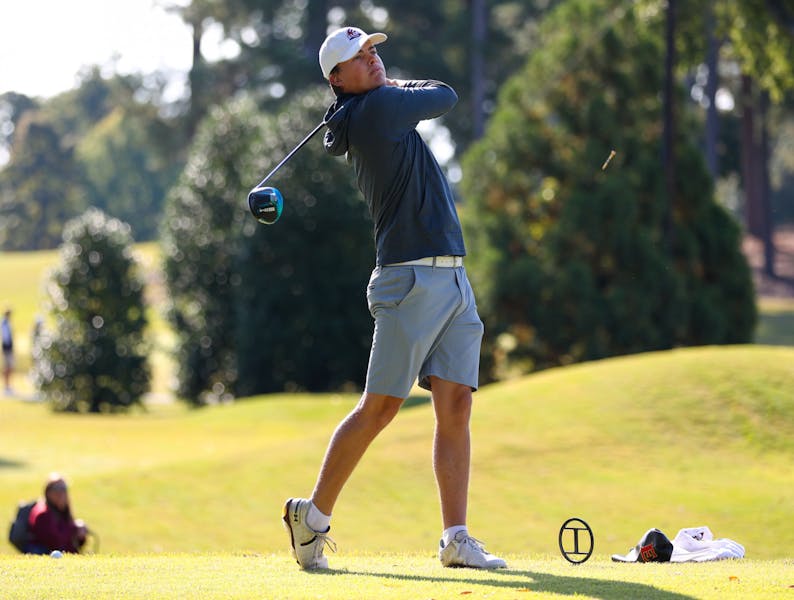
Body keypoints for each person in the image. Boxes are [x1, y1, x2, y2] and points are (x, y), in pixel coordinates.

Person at [282, 26, 506, 571]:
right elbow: (446, 95)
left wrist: (372, 86)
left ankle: (456, 537)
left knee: (456, 403)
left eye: (374, 51)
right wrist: (387, 86)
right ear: (338, 78)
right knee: (381, 406)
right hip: (410, 279)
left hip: (451, 276)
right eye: (361, 57)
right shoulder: (379, 109)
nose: (374, 59)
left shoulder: (367, 108)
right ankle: (311, 519)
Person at [25, 473, 88, 554]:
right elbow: (55, 543)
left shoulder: (60, 510)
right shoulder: (42, 513)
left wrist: (80, 536)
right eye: (57, 489)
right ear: (48, 492)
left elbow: (71, 544)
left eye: (64, 489)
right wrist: (75, 529)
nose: (61, 493)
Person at [2, 309, 13, 395]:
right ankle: (6, 386)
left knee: (9, 367)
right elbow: (6, 338)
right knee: (7, 367)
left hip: (8, 348)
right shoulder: (4, 323)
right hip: (7, 348)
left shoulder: (7, 323)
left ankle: (8, 386)